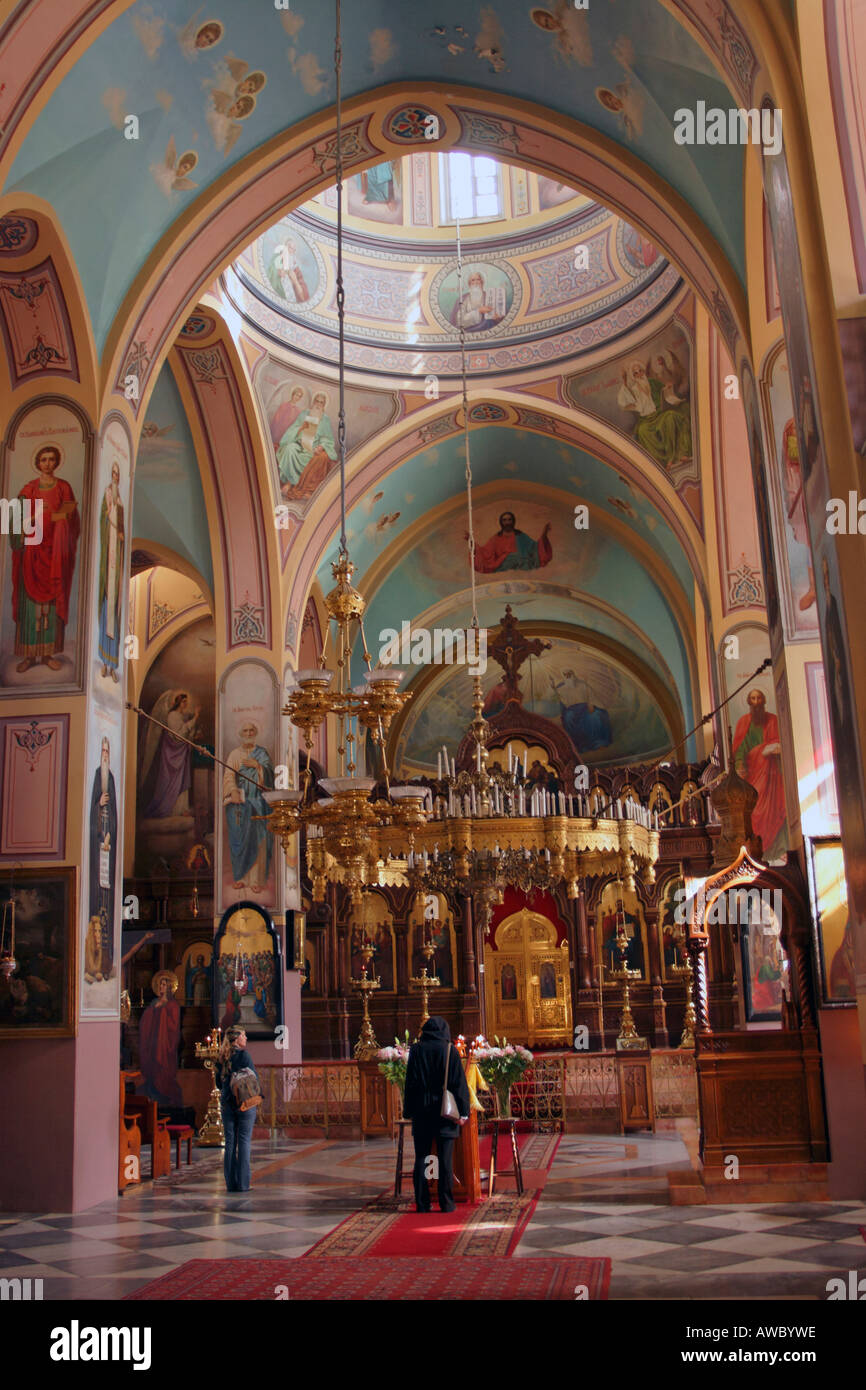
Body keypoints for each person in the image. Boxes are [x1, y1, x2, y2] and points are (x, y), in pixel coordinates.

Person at [10, 443, 80, 672]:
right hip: (33, 552)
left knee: (50, 604)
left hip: (55, 553)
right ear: (37, 462)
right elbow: (16, 516)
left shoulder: (64, 487)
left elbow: (71, 517)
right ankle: (29, 656)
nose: (47, 463)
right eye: (43, 459)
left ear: (57, 461)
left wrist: (55, 516)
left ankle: (48, 654)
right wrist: (37, 513)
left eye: (51, 459)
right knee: (30, 606)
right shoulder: (29, 489)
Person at [402, 1016, 470, 1214]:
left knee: (424, 1158)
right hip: (445, 1113)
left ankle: (423, 1203)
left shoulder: (416, 1050)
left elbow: (410, 1084)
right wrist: (463, 1111)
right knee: (444, 1159)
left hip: (422, 1112)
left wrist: (408, 1110)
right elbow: (459, 1084)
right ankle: (446, 1202)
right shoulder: (450, 1050)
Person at [215, 1024, 258, 1193]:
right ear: (236, 1038)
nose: (246, 1038)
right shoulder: (244, 1056)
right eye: (243, 1035)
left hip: (226, 1103)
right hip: (244, 1103)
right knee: (244, 1141)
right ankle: (243, 1184)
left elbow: (219, 1083)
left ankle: (231, 1184)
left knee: (230, 1143)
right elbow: (253, 1079)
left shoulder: (221, 1057)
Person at [97, 461, 125, 682]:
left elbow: (121, 522)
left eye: (118, 474)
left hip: (118, 553)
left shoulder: (120, 498)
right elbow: (105, 518)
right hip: (109, 555)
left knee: (115, 612)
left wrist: (122, 536)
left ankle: (113, 664)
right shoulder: (107, 493)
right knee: (107, 606)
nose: (115, 477)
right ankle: (104, 663)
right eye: (113, 473)